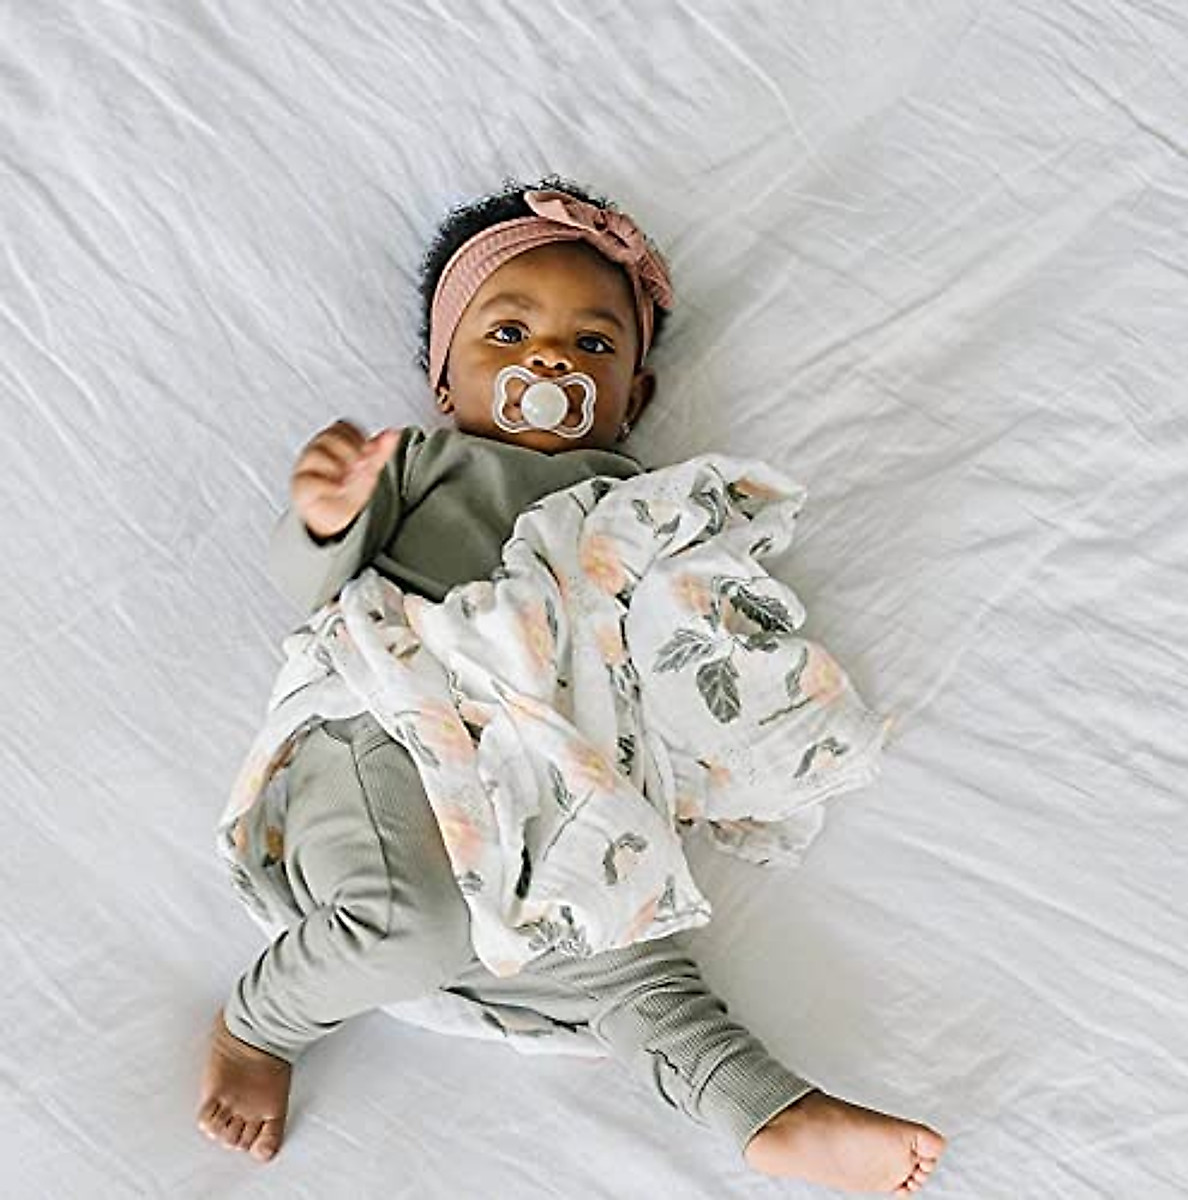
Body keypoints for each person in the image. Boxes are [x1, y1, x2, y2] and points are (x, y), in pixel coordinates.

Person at [197, 177, 946, 1194]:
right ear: (445, 381)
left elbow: (685, 633)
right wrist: (327, 512)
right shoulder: (425, 464)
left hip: (554, 781)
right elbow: (310, 580)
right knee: (410, 921)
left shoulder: (643, 505)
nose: (550, 358)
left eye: (593, 344)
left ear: (634, 398)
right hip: (394, 722)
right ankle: (256, 1025)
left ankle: (768, 1113)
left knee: (632, 955)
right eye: (508, 332)